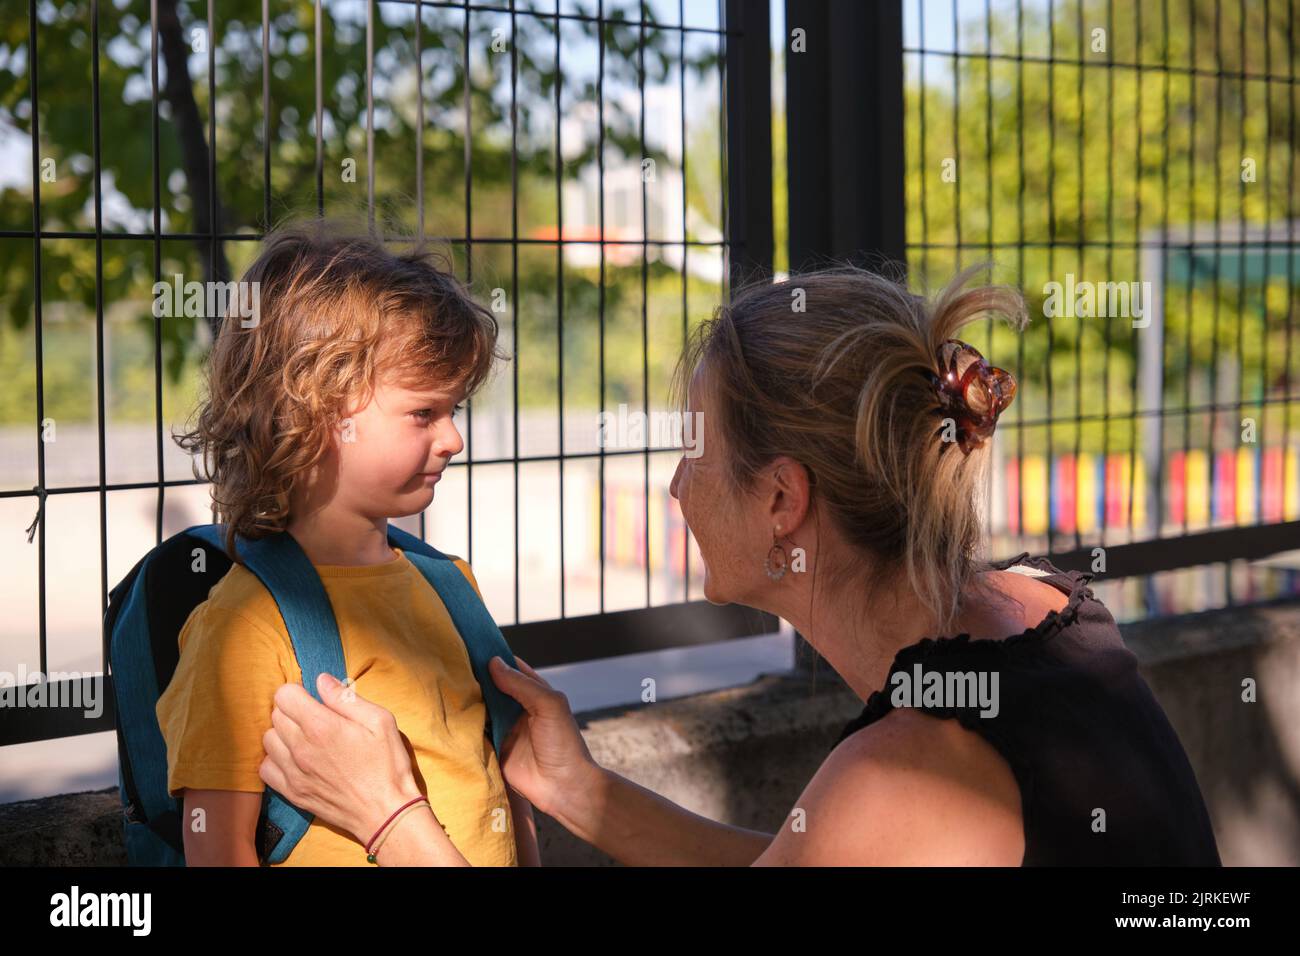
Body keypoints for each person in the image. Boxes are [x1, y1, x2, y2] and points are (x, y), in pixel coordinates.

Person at [258, 264, 1222, 866]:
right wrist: (575, 789)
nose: (675, 488)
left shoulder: (910, 772)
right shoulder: (1042, 607)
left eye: (697, 454)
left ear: (781, 502)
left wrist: (388, 818)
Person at [155, 219, 539, 866]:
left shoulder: (451, 588)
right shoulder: (245, 627)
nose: (453, 440)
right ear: (309, 413)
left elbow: (507, 794)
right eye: (424, 414)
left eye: (456, 412)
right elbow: (217, 850)